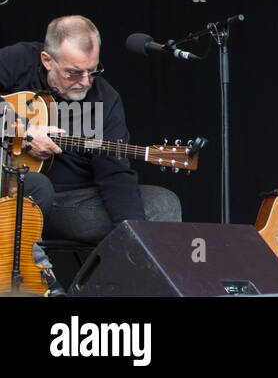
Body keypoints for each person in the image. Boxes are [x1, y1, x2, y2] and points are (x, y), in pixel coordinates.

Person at [0, 17, 182, 251]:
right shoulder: (19, 60)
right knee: (39, 186)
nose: (84, 82)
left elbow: (115, 174)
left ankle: (130, 281)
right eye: (73, 73)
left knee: (163, 204)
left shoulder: (106, 99)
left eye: (92, 71)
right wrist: (20, 131)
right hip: (13, 188)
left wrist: (133, 238)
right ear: (47, 60)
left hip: (69, 202)